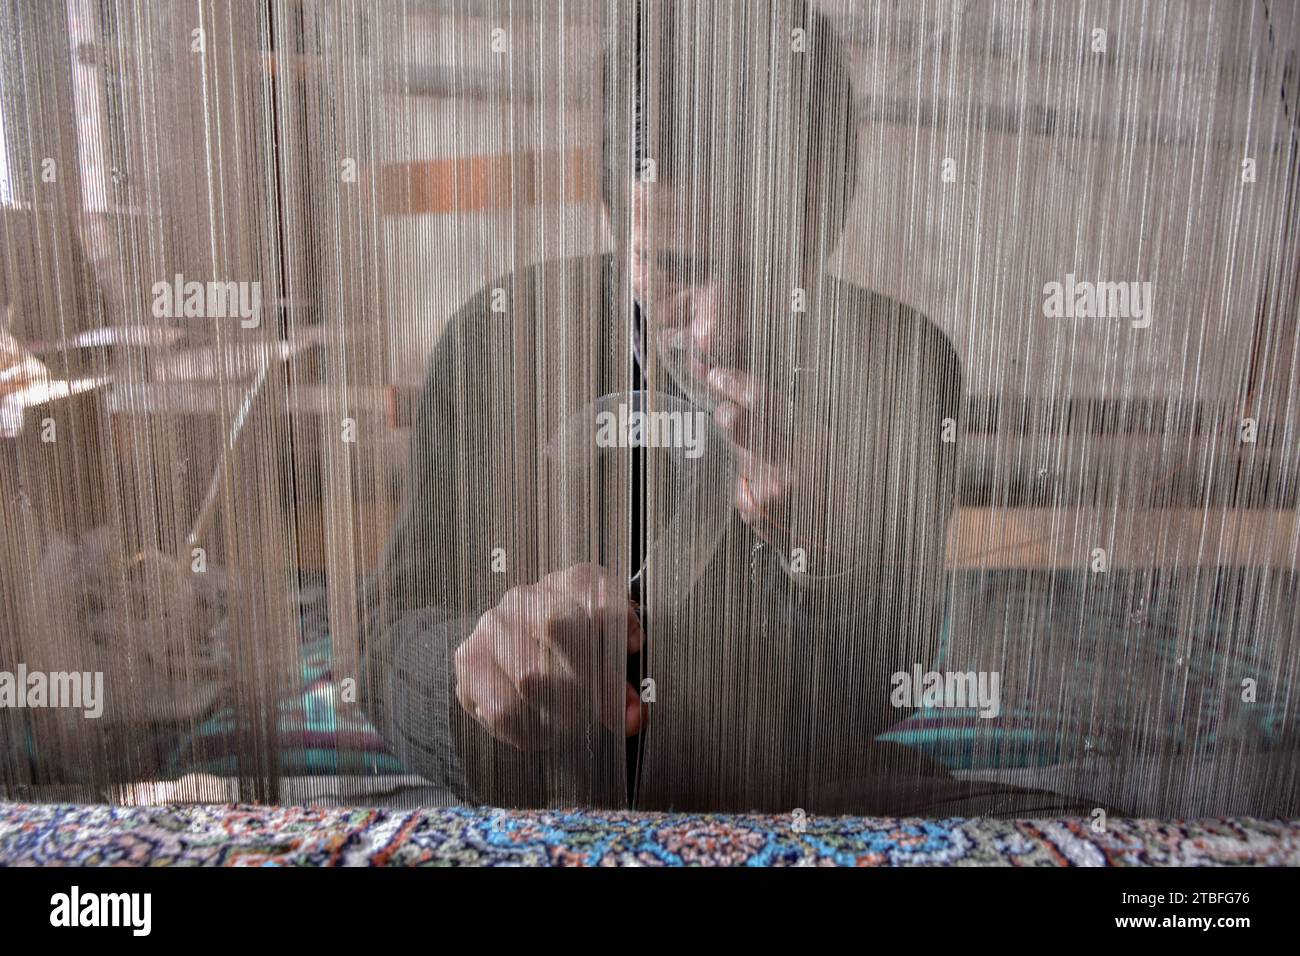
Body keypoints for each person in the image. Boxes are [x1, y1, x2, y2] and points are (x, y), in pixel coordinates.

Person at [360, 0, 1004, 814]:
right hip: (545, 794)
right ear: (612, 221)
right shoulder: (495, 342)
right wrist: (471, 671)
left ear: (829, 221)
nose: (719, 324)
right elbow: (382, 643)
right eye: (673, 266)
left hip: (798, 803)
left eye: (772, 262)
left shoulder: (909, 367)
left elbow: (887, 688)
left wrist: (836, 561)